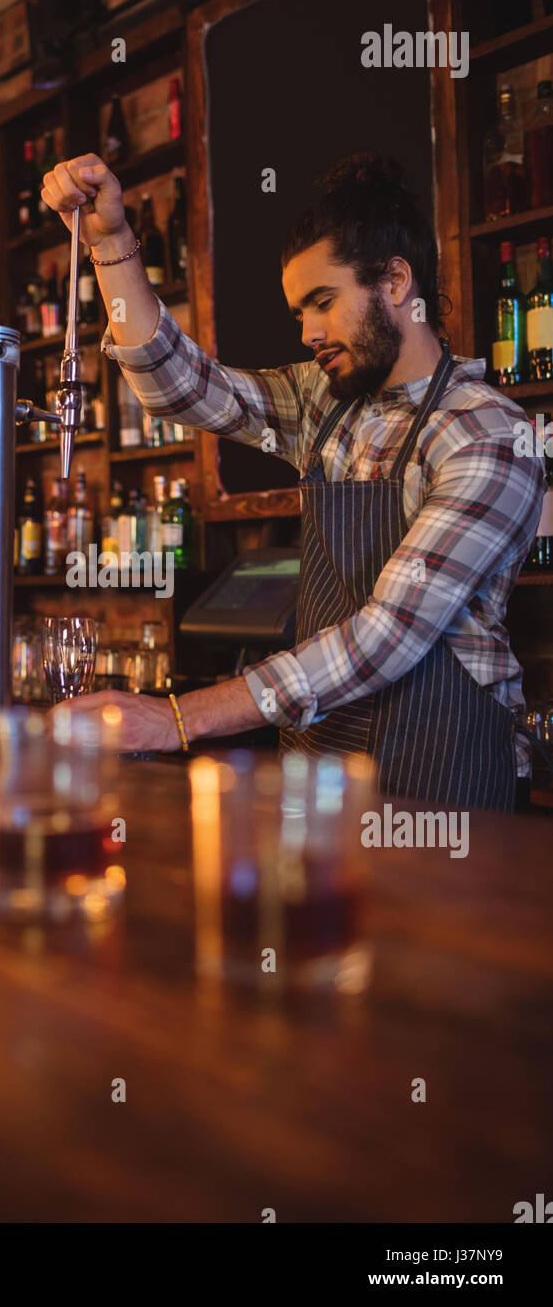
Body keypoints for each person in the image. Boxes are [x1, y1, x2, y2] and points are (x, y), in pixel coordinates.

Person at [39, 150, 545, 811]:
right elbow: (181, 388)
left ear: (395, 282)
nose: (307, 332)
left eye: (323, 302)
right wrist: (111, 244)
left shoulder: (488, 434)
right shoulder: (323, 404)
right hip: (319, 775)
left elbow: (386, 637)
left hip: (442, 785)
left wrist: (177, 718)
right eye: (298, 311)